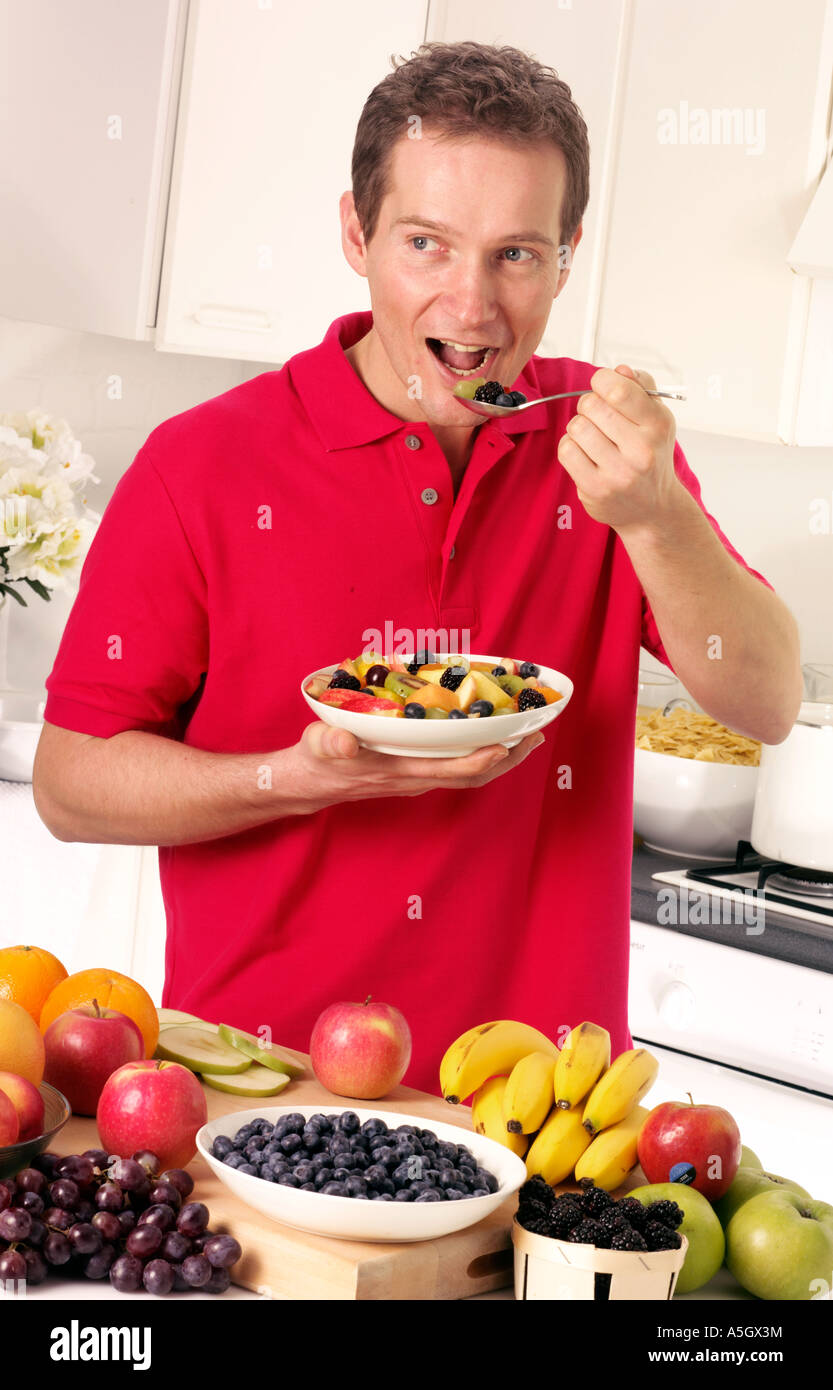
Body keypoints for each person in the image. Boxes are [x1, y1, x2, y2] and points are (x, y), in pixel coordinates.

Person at [33, 41, 802, 1095]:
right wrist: (294, 779)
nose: (470, 305)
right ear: (355, 232)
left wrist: (656, 517)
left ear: (567, 256)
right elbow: (72, 782)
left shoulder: (608, 444)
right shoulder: (202, 464)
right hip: (260, 1093)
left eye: (516, 254)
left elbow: (760, 698)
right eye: (426, 245)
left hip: (544, 1108)